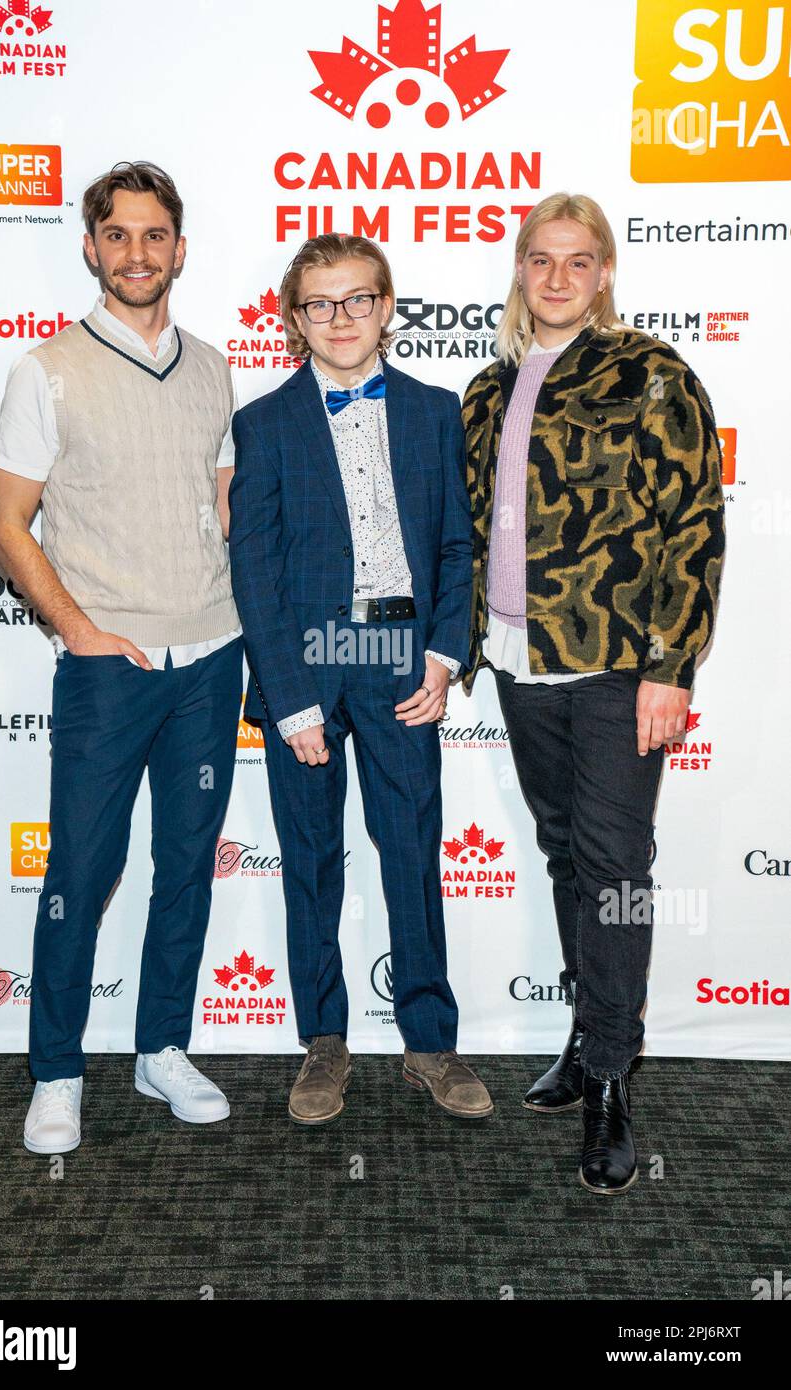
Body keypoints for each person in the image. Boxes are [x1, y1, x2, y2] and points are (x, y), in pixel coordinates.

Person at [461, 192, 725, 1193]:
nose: (558, 277)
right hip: (519, 666)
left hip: (615, 666)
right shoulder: (487, 388)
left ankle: (613, 1074)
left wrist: (669, 666)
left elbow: (691, 522)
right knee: (568, 851)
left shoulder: (649, 374)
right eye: (540, 260)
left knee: (614, 866)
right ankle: (588, 1034)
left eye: (578, 261)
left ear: (604, 272)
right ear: (520, 270)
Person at [0, 161, 244, 1154]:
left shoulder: (216, 366)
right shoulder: (45, 369)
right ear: (91, 247)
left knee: (185, 867)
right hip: (107, 665)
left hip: (212, 658)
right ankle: (56, 1068)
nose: (137, 253)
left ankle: (160, 1047)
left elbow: (220, 499)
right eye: (118, 235)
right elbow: (8, 523)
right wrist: (77, 629)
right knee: (81, 870)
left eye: (154, 235)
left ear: (179, 249)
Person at [228, 233, 492, 1125]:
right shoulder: (262, 423)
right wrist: (292, 697)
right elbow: (254, 571)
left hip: (398, 654)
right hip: (304, 659)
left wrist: (445, 654)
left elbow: (458, 544)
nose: (340, 318)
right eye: (319, 303)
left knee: (414, 851)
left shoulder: (434, 411)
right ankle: (324, 1043)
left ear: (387, 305)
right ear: (294, 320)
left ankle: (429, 1041)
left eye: (358, 298)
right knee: (310, 857)